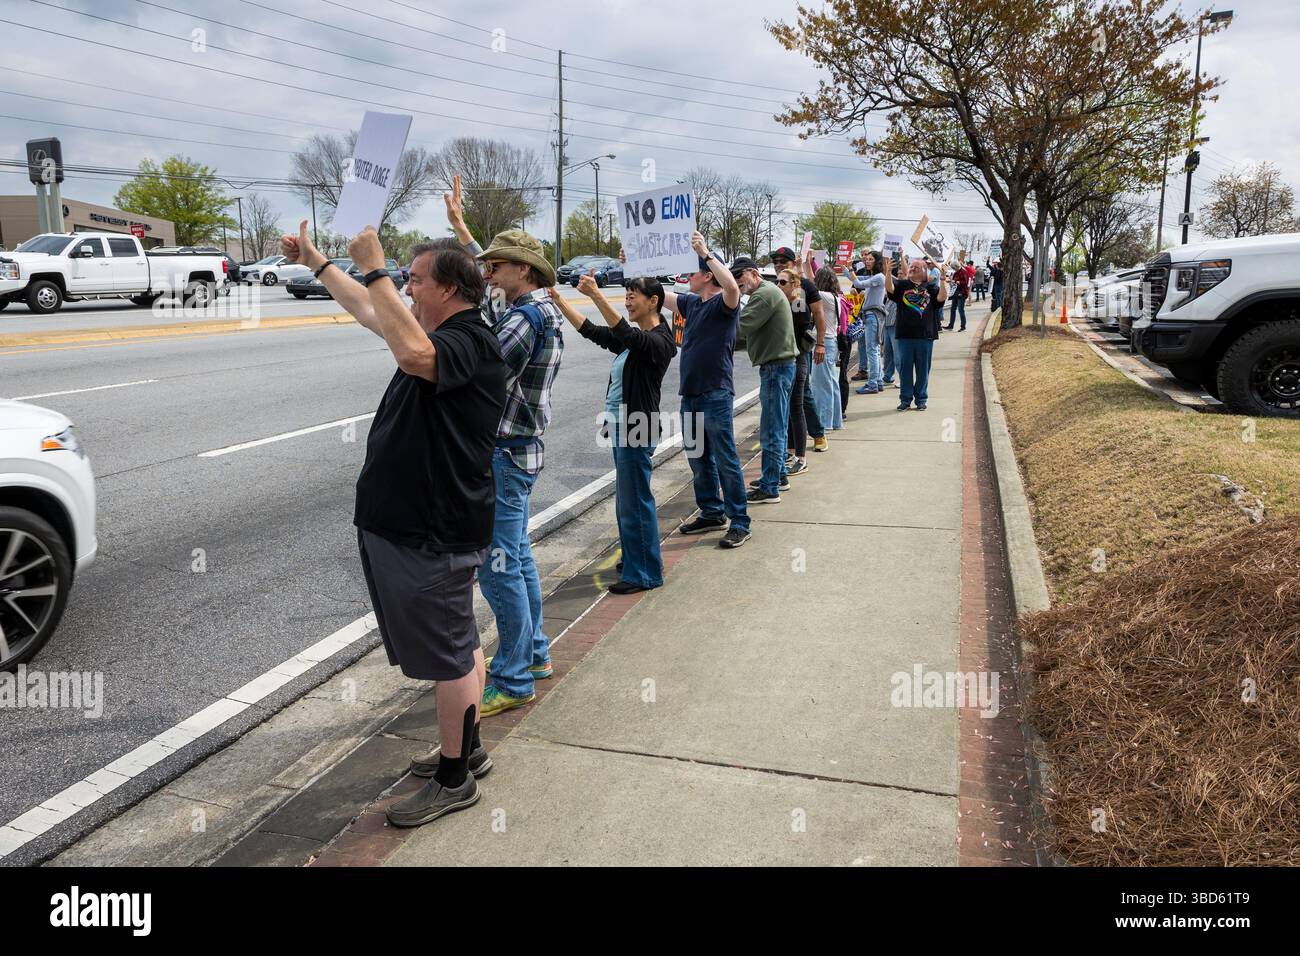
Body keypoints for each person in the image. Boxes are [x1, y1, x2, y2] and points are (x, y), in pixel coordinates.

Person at [279, 221, 505, 827]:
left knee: (451, 653)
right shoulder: (434, 330)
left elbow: (412, 352)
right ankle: (469, 750)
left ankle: (456, 780)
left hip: (433, 530)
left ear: (451, 290)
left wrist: (377, 265)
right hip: (410, 526)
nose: (405, 290)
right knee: (457, 643)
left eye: (416, 279)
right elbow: (367, 309)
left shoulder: (469, 343)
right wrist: (318, 261)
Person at [553, 274, 676, 593]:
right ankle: (636, 558)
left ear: (654, 301)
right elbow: (592, 331)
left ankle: (645, 572)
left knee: (635, 501)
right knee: (628, 501)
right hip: (624, 425)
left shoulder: (659, 341)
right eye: (626, 294)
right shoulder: (635, 337)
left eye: (634, 295)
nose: (628, 299)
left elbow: (624, 332)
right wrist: (560, 300)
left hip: (638, 425)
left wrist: (595, 295)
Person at [653, 232, 751, 549]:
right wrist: (636, 270)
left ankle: (740, 522)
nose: (687, 278)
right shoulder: (691, 304)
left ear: (708, 274)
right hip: (691, 394)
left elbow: (733, 287)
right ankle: (711, 511)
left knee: (725, 459)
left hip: (716, 393)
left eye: (693, 273)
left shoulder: (725, 304)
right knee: (698, 457)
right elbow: (657, 294)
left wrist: (705, 252)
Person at [734, 256, 796, 503]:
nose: (737, 282)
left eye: (739, 277)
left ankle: (770, 486)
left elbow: (739, 327)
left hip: (776, 367)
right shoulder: (767, 291)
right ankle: (778, 475)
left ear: (752, 272)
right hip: (780, 366)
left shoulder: (763, 295)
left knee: (771, 429)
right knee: (777, 425)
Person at [769, 247, 828, 456]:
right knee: (796, 397)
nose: (778, 265)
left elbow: (819, 314)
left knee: (800, 396)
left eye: (783, 261)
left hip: (800, 349)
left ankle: (814, 437)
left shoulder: (804, 287)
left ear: (793, 263)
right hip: (779, 351)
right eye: (775, 262)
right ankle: (791, 445)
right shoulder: (774, 288)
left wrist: (821, 344)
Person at [885, 256, 947, 411]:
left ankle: (921, 399)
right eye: (911, 267)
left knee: (922, 370)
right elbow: (890, 289)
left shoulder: (931, 287)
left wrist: (943, 280)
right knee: (905, 369)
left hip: (925, 336)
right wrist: (887, 272)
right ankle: (905, 400)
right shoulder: (902, 285)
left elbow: (941, 298)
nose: (912, 269)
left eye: (916, 268)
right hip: (905, 335)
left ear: (924, 271)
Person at [847, 251, 886, 394]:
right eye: (866, 259)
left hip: (873, 315)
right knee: (873, 350)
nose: (867, 261)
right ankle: (878, 381)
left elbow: (858, 283)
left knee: (872, 350)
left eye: (870, 259)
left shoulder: (879, 277)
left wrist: (850, 268)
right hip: (870, 316)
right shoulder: (875, 276)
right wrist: (846, 266)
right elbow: (854, 279)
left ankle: (872, 384)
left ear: (877, 261)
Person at [811, 266, 844, 430]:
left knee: (821, 385)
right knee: (831, 383)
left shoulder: (822, 297)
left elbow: (807, 287)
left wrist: (803, 266)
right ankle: (836, 421)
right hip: (832, 342)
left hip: (824, 342)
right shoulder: (835, 296)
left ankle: (824, 424)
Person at [946, 259, 970, 331]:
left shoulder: (964, 272)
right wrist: (951, 281)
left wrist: (954, 281)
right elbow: (954, 281)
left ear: (956, 266)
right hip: (955, 292)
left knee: (960, 309)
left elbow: (964, 283)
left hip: (962, 293)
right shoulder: (956, 273)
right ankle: (951, 325)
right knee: (952, 309)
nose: (953, 269)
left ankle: (963, 326)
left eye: (953, 268)